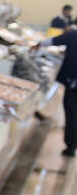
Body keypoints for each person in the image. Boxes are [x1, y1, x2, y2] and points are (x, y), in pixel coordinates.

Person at [34, 28, 77, 156]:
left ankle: (71, 145)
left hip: (73, 82)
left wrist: (38, 45)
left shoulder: (73, 35)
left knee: (72, 113)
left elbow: (54, 41)